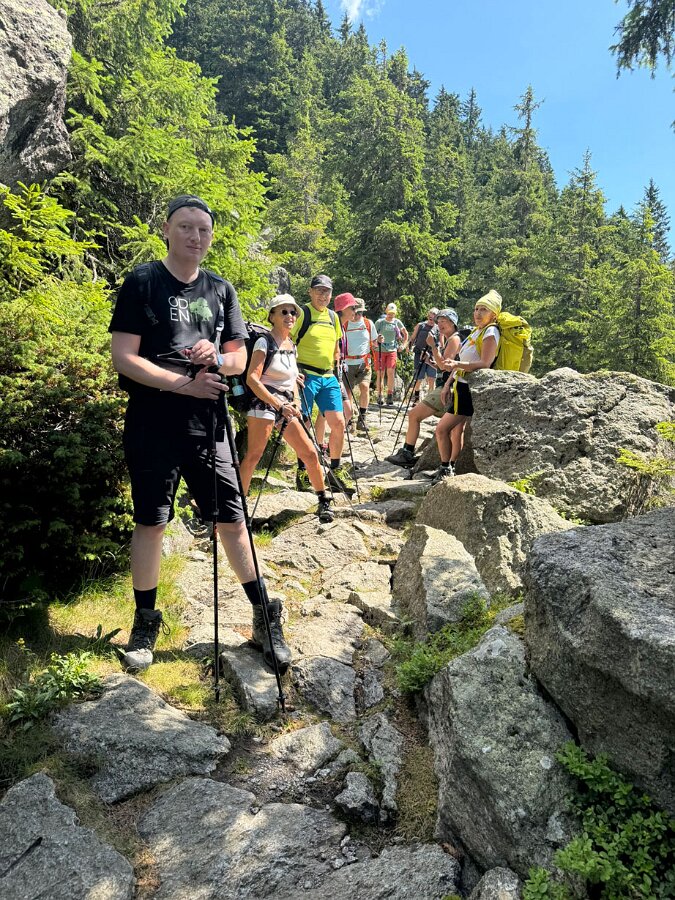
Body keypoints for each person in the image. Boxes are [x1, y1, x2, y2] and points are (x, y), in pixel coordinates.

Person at [109, 194, 291, 674]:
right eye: (185, 227)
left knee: (231, 519)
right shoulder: (142, 282)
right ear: (167, 231)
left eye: (203, 230)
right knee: (151, 520)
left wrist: (217, 357)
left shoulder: (220, 291)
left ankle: (262, 617)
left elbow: (238, 359)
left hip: (208, 425)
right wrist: (182, 384)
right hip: (152, 420)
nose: (194, 236)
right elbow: (124, 356)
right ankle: (145, 622)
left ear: (210, 237)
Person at [238, 294, 334, 524]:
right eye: (284, 311)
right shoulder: (264, 342)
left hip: (286, 406)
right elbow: (252, 379)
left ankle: (323, 500)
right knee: (253, 456)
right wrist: (279, 404)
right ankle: (238, 508)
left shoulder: (291, 344)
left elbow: (292, 380)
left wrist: (297, 403)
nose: (290, 316)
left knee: (310, 453)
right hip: (264, 403)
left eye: (293, 312)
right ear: (272, 316)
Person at [291, 274, 355, 496]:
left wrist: (336, 367)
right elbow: (287, 340)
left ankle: (334, 471)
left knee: (338, 422)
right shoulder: (302, 313)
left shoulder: (333, 317)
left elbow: (336, 346)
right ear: (310, 291)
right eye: (318, 290)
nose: (322, 295)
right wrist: (293, 371)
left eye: (326, 291)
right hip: (305, 374)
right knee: (305, 422)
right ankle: (302, 471)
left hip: (328, 376)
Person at [431, 290, 502, 484]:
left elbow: (485, 363)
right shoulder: (476, 331)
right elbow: (462, 360)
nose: (478, 313)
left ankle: (446, 468)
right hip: (461, 386)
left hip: (471, 389)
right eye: (476, 309)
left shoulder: (490, 331)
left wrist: (457, 366)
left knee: (441, 429)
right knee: (453, 430)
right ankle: (448, 467)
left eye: (484, 310)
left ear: (494, 314)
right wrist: (447, 384)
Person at [386, 309, 462, 467]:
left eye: (444, 321)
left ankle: (407, 453)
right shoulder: (451, 338)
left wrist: (433, 347)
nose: (440, 324)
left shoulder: (454, 339)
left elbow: (445, 366)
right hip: (447, 385)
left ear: (453, 323)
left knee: (414, 415)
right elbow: (443, 366)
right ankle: (409, 452)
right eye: (439, 321)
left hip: (447, 387)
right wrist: (429, 361)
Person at [341, 296, 378, 431]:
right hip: (347, 363)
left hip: (364, 362)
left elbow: (374, 343)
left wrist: (377, 342)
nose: (357, 315)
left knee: (364, 387)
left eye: (360, 312)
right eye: (355, 312)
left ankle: (362, 419)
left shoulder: (368, 324)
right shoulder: (344, 325)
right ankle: (349, 420)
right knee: (348, 393)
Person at [375, 303, 408, 406]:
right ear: (386, 312)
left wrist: (403, 345)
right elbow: (372, 335)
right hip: (379, 350)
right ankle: (380, 395)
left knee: (390, 372)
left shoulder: (397, 322)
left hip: (392, 350)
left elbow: (405, 334)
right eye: (389, 313)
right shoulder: (380, 322)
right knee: (380, 373)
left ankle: (390, 395)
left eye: (393, 313)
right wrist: (375, 342)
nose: (391, 315)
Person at [408, 308, 439, 404]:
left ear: (436, 317)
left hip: (432, 355)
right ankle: (417, 399)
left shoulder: (438, 328)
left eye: (434, 314)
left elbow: (441, 342)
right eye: (430, 314)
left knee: (431, 378)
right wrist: (408, 347)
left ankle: (430, 401)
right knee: (418, 378)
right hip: (419, 354)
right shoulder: (420, 326)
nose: (431, 316)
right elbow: (412, 338)